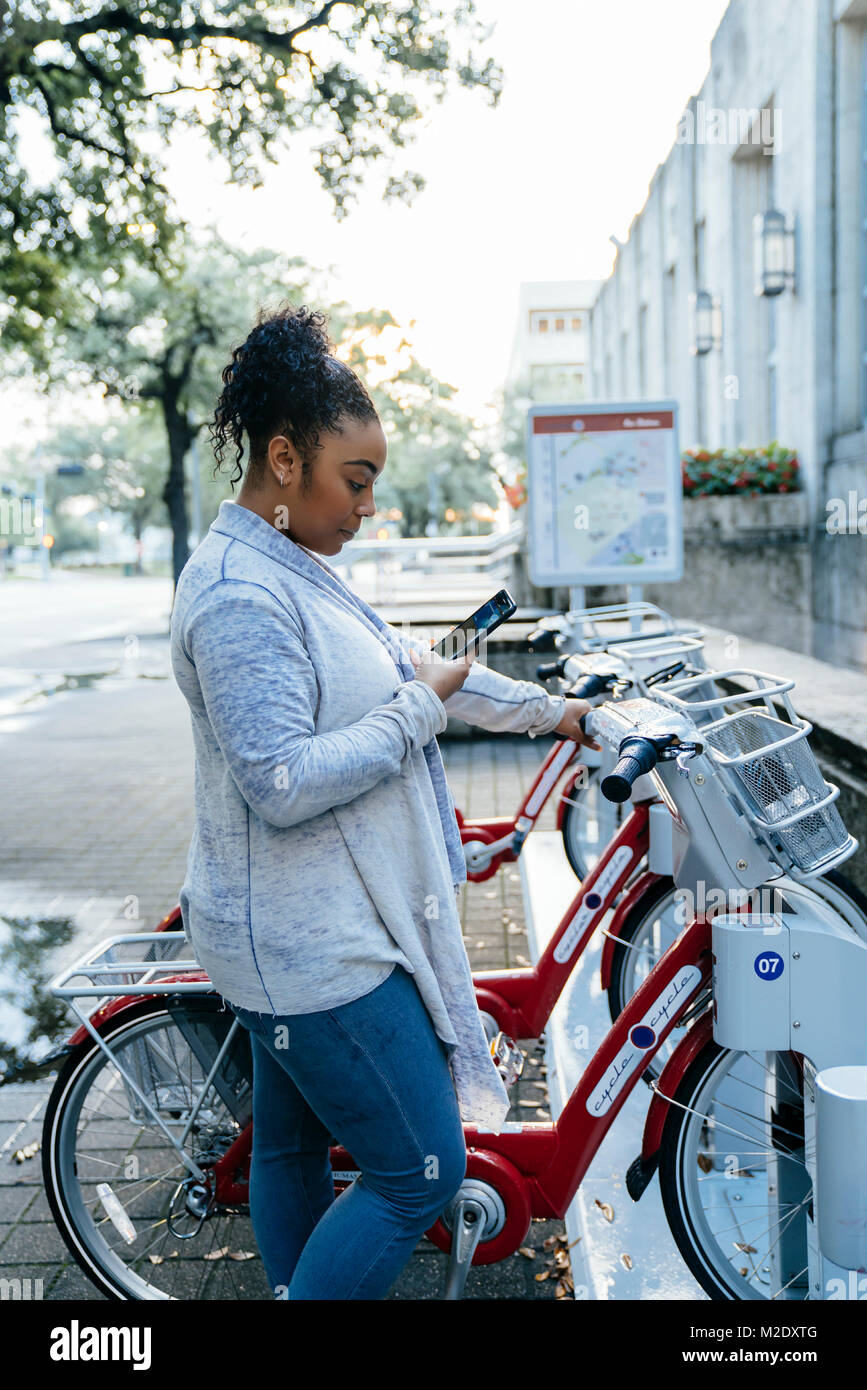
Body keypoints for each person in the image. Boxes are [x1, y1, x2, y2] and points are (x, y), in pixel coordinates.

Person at [169, 303, 597, 1300]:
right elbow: (281, 782)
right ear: (285, 459)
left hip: (301, 929)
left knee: (288, 1148)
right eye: (354, 481)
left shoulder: (299, 569)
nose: (367, 507)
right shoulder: (241, 593)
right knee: (418, 1169)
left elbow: (424, 672)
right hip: (308, 947)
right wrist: (414, 712)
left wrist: (555, 711)